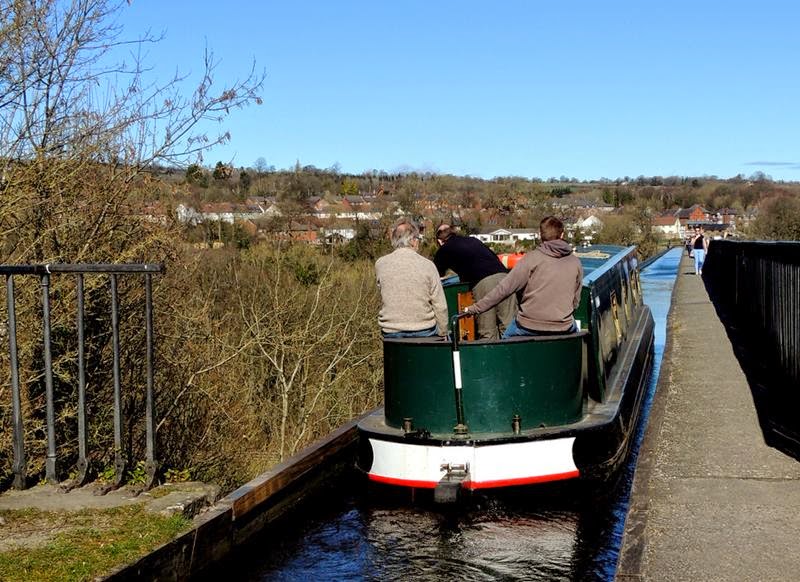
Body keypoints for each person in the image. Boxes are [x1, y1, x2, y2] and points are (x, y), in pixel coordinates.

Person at [463, 216, 583, 338]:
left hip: (528, 326)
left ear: (540, 234)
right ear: (562, 235)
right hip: (563, 326)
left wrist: (475, 308)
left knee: (505, 339)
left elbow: (504, 289)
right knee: (577, 331)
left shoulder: (531, 259)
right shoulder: (575, 262)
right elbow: (576, 301)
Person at [433, 224, 517, 340]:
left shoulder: (444, 250)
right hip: (505, 278)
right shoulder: (473, 240)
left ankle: (489, 356)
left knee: (487, 331)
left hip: (484, 282)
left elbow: (436, 274)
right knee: (509, 327)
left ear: (439, 241)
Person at [375, 218, 448, 338]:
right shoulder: (428, 265)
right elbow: (440, 305)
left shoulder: (380, 264)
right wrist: (443, 332)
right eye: (418, 239)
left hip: (391, 330)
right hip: (424, 329)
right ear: (413, 241)